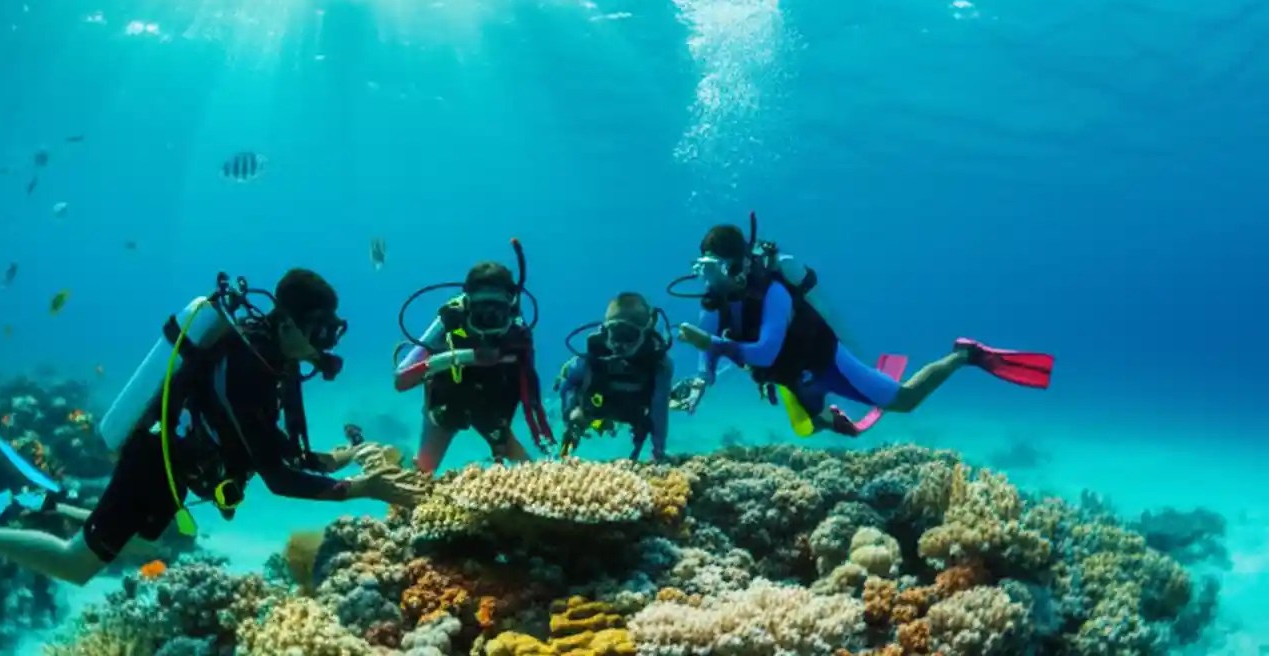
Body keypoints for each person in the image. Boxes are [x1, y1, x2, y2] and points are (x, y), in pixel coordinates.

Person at [0, 268, 420, 585]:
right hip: (154, 464)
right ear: (287, 322)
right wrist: (367, 488)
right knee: (76, 564)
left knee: (145, 545)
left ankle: (49, 506)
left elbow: (288, 451)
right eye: (318, 331)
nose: (324, 343)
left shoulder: (279, 361)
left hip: (183, 469)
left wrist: (349, 456)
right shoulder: (250, 367)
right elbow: (278, 478)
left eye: (332, 331)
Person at [668, 217, 1054, 436]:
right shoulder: (712, 300)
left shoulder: (773, 293)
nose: (709, 279)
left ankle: (964, 354)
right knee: (830, 429)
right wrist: (702, 381)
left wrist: (714, 344)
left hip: (824, 361)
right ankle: (829, 414)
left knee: (905, 402)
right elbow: (708, 353)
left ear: (737, 265)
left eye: (716, 269)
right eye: (704, 269)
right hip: (790, 377)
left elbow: (765, 349)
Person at [394, 247, 555, 474]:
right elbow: (401, 379)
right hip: (446, 401)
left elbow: (530, 395)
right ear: (468, 305)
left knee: (528, 471)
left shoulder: (518, 332)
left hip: (492, 406)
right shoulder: (451, 319)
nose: (489, 317)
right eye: (481, 309)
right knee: (422, 473)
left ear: (510, 307)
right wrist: (465, 357)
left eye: (497, 310)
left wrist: (541, 443)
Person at [555, 293, 675, 461]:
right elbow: (569, 385)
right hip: (597, 407)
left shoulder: (658, 363)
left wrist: (658, 449)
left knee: (644, 428)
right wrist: (569, 414)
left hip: (634, 413)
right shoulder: (594, 355)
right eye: (615, 336)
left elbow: (659, 408)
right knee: (577, 420)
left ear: (646, 332)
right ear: (605, 333)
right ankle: (563, 457)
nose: (620, 345)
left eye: (629, 336)